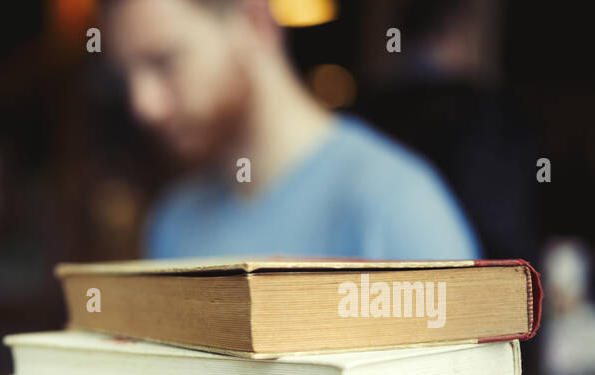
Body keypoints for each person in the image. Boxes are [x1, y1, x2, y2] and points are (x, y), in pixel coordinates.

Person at [104, 0, 481, 260]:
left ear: (255, 24)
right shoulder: (173, 222)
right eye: (126, 77)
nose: (143, 104)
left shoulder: (397, 206)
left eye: (164, 62)